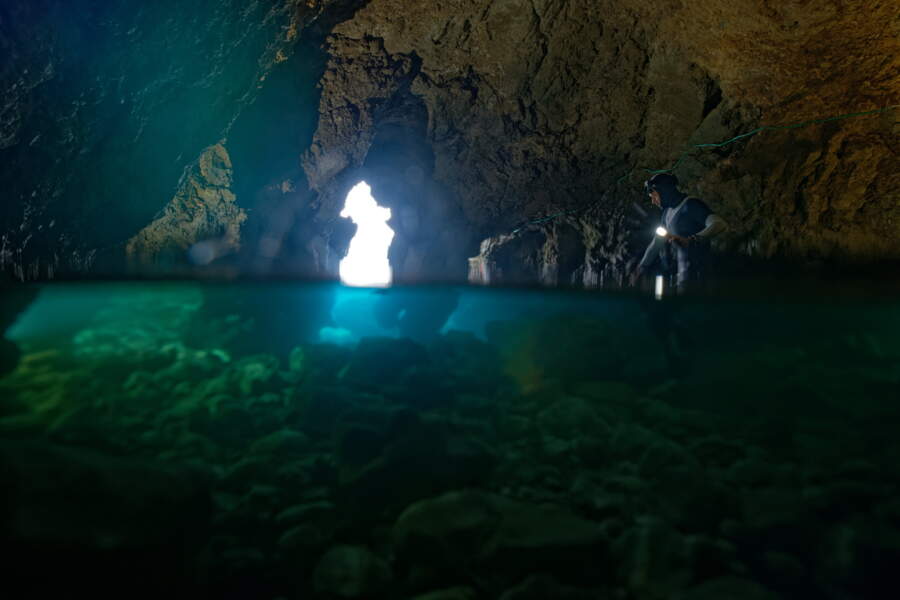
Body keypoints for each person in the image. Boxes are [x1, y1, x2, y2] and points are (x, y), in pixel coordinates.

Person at [630, 173, 728, 290]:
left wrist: (693, 239)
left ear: (664, 191)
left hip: (699, 280)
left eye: (654, 196)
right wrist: (641, 268)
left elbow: (719, 224)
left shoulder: (691, 205)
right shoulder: (666, 214)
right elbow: (657, 243)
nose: (653, 201)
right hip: (681, 279)